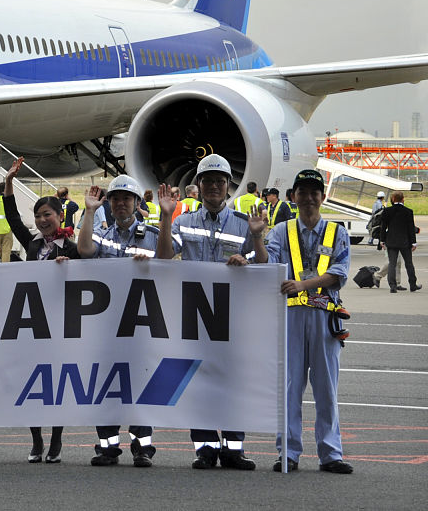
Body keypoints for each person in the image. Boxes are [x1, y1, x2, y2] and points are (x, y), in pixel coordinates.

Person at [155, 154, 267, 471]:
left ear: (228, 185)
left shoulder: (247, 224)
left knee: (233, 381)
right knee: (198, 381)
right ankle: (204, 446)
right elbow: (163, 257)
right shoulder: (183, 222)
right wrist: (165, 217)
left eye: (220, 181)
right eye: (208, 181)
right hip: (194, 315)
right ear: (199, 186)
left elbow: (264, 267)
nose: (215, 186)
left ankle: (234, 447)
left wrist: (255, 242)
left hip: (233, 317)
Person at [265, 168, 353, 474]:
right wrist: (254, 236)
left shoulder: (337, 232)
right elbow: (268, 263)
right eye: (302, 192)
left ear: (322, 196)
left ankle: (331, 453)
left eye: (314, 192)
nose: (309, 197)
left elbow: (340, 275)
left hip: (324, 316)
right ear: (294, 196)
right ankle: (288, 452)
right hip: (290, 316)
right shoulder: (280, 231)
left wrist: (303, 284)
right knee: (289, 387)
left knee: (326, 388)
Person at [77, 173, 160, 468]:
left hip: (141, 326)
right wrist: (88, 210)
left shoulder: (152, 234)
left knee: (140, 384)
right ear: (109, 204)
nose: (121, 203)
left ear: (137, 203)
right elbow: (85, 251)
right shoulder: (101, 234)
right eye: (116, 199)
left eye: (126, 198)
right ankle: (108, 446)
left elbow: (168, 260)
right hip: (107, 327)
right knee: (106, 385)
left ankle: (142, 447)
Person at [1, 158, 76, 463]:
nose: (42, 220)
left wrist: (69, 268)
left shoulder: (72, 246)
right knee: (31, 381)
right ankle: (36, 440)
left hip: (60, 324)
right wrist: (8, 183)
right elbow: (12, 217)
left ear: (60, 215)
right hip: (32, 323)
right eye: (38, 216)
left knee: (55, 384)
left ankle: (57, 439)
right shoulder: (32, 243)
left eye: (47, 215)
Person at [377, 191, 418, 293]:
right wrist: (414, 242)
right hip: (405, 242)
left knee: (392, 264)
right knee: (409, 264)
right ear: (403, 199)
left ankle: (393, 286)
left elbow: (383, 228)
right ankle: (412, 285)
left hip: (391, 241)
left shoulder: (387, 211)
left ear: (393, 199)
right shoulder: (408, 211)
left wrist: (382, 240)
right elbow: (410, 229)